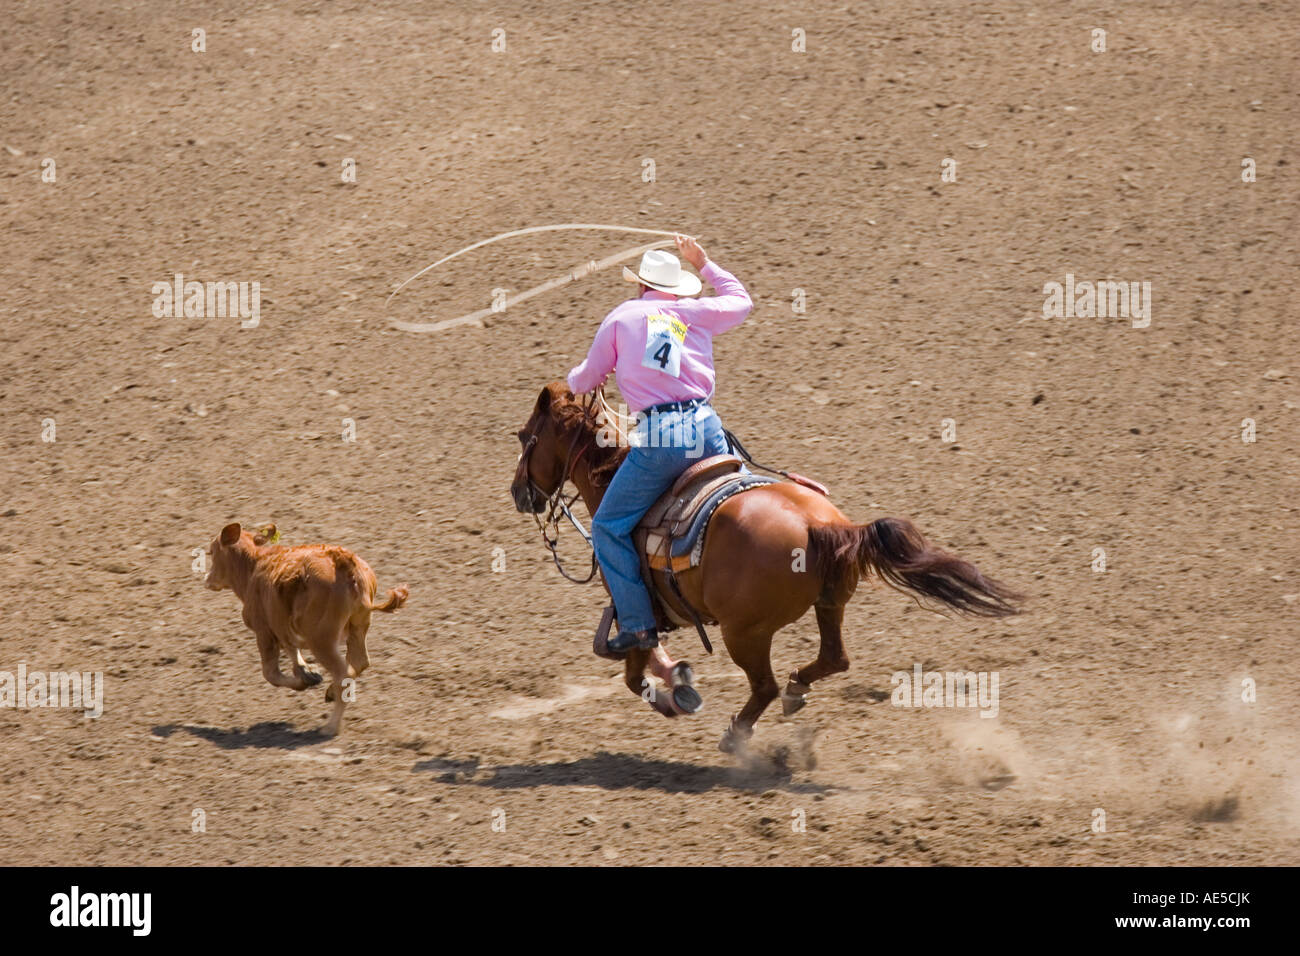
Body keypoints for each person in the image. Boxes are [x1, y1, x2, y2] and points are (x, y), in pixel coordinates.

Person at [567, 234, 752, 654]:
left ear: (640, 286)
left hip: (661, 435)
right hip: (706, 428)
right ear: (675, 288)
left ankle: (638, 626)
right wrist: (705, 263)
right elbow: (741, 301)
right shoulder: (693, 312)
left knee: (607, 527)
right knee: (745, 490)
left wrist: (574, 380)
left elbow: (587, 378)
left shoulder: (621, 318)